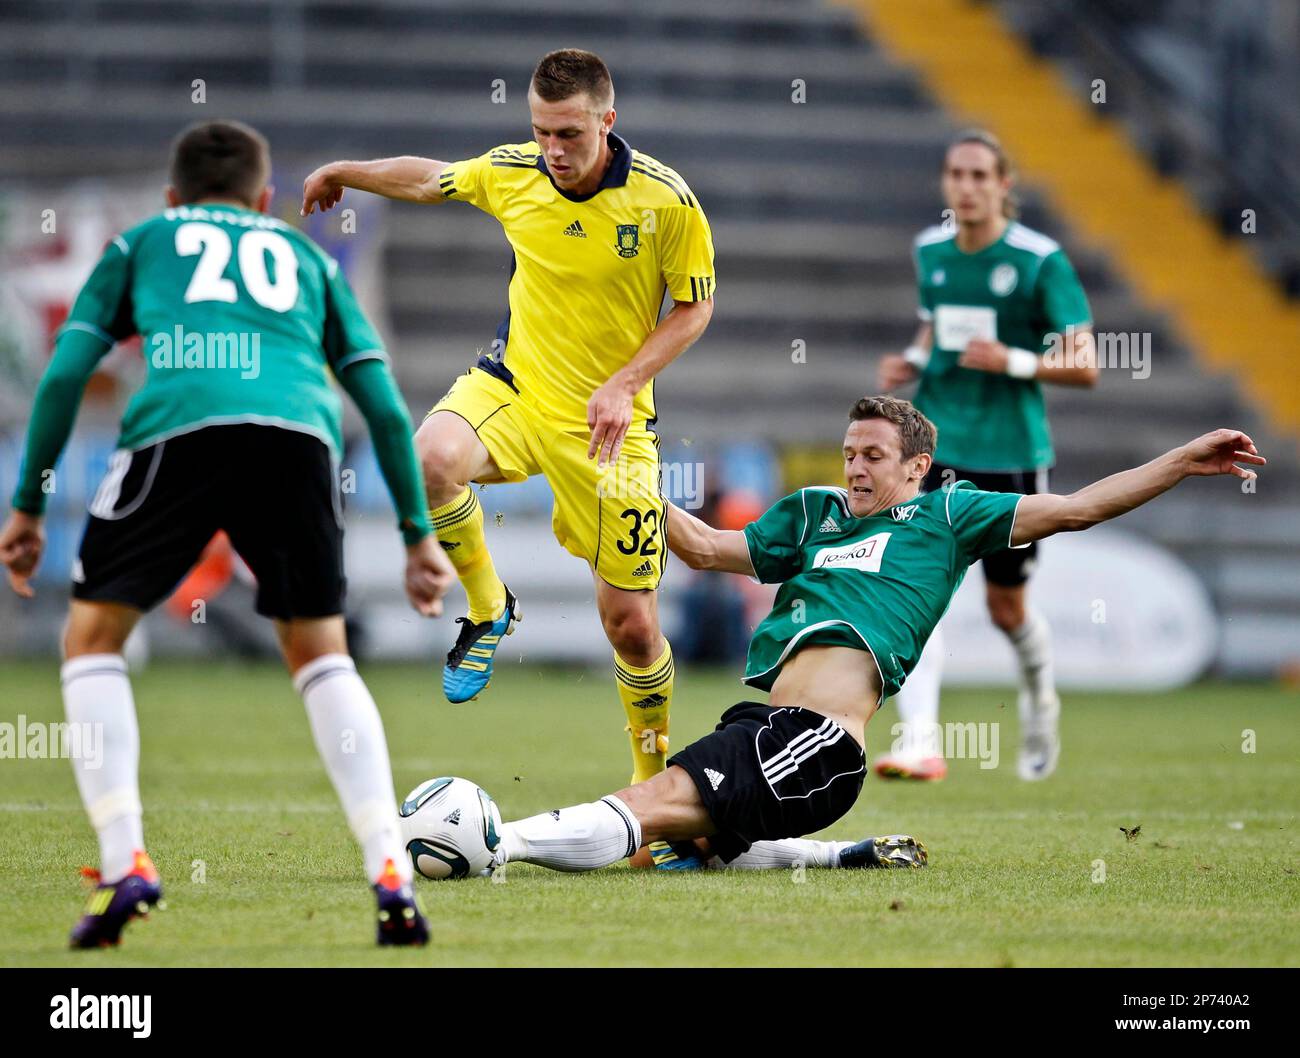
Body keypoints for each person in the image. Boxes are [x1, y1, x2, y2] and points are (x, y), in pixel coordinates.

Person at [0, 120, 455, 948]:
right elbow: (383, 400)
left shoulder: (144, 239)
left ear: (174, 197)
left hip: (181, 425)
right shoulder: (309, 258)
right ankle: (390, 865)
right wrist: (419, 535)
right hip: (299, 436)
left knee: (93, 638)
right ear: (265, 199)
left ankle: (123, 859)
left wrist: (28, 506)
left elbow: (67, 371)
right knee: (322, 655)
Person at [486, 397, 1262, 875]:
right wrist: (620, 481)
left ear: (918, 466)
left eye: (874, 457)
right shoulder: (813, 513)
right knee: (675, 845)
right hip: (763, 729)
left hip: (819, 742)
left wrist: (1182, 461)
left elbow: (1078, 507)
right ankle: (840, 855)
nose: (854, 468)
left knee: (652, 802)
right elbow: (702, 548)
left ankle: (495, 842)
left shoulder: (948, 516)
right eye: (850, 452)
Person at [301, 49, 716, 790]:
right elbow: (430, 179)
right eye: (541, 132)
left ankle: (653, 788)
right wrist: (346, 170)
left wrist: (626, 382)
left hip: (607, 425)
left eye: (568, 134)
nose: (552, 150)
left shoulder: (667, 203)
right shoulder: (514, 170)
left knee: (632, 625)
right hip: (513, 387)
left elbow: (695, 306)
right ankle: (489, 608)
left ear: (607, 121)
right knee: (425, 457)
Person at [876, 129, 1098, 782]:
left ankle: (1039, 707)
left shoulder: (1039, 261)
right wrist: (913, 359)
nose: (965, 187)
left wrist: (1015, 360)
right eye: (955, 174)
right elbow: (936, 324)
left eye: (979, 175)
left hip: (1010, 453)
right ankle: (919, 741)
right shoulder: (931, 250)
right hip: (936, 448)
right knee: (915, 592)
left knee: (1006, 609)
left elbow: (1084, 364)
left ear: (1004, 185)